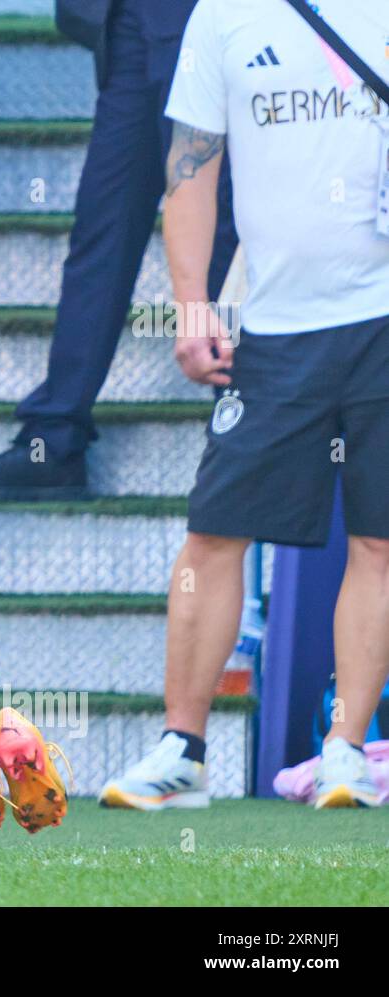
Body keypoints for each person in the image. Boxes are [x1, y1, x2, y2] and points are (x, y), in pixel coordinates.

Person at [100, 0, 389, 810]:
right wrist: (191, 304)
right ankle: (182, 748)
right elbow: (191, 168)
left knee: (379, 538)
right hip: (275, 324)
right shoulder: (222, 15)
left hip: (385, 317)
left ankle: (345, 750)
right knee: (213, 530)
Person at [0, 0, 238, 500]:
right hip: (129, 19)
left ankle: (241, 422)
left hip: (206, 15)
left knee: (215, 221)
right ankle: (54, 442)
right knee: (102, 231)